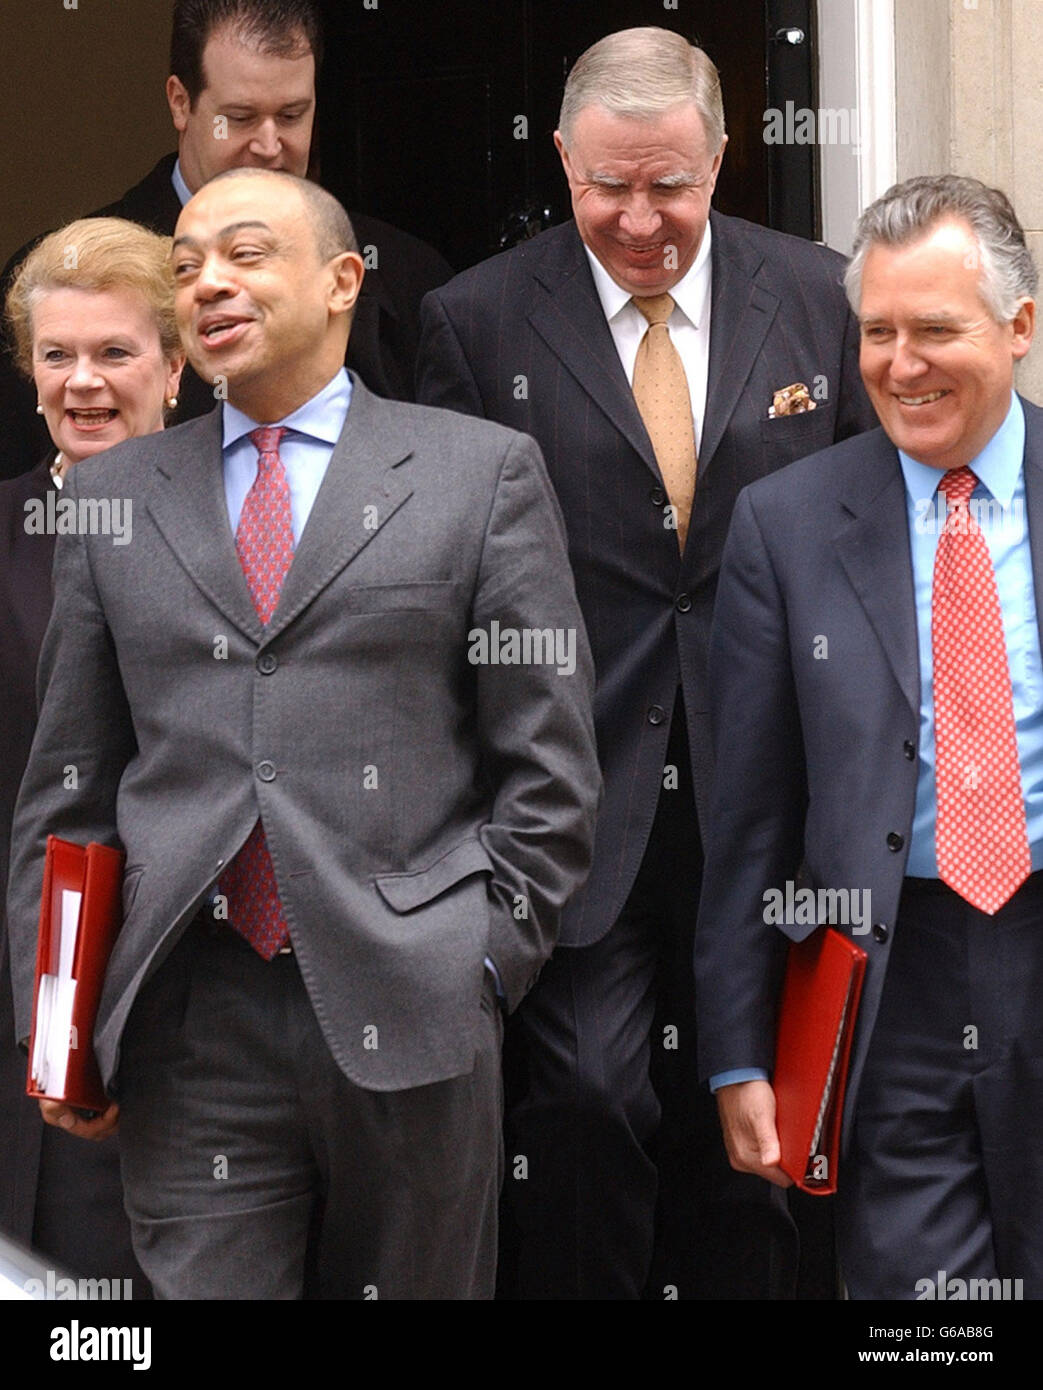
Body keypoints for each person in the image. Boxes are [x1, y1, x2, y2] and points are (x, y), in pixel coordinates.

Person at [6, 167, 600, 1301]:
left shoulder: (477, 476)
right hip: (192, 1018)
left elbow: (551, 769)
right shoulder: (114, 497)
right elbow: (69, 793)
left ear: (341, 281)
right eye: (184, 268)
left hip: (413, 1003)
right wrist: (62, 1026)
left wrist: (479, 961)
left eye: (243, 254)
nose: (208, 283)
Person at [416, 25, 878, 1300]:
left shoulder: (827, 297)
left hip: (777, 794)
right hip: (579, 789)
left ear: (721, 161)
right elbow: (445, 583)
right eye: (605, 184)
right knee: (582, 1103)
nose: (636, 218)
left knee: (768, 1140)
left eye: (667, 185)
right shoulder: (475, 320)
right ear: (561, 160)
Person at [695, 173, 1043, 1299]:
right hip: (888, 973)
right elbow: (748, 815)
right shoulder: (785, 524)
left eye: (934, 330)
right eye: (877, 333)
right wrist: (739, 1050)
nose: (900, 365)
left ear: (1019, 326)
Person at [0, 0, 452, 477]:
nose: (270, 145)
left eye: (293, 115)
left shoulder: (407, 274)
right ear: (180, 102)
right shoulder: (61, 278)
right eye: (240, 118)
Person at [0, 216, 184, 1292]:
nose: (84, 382)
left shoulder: (254, 534)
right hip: (32, 1012)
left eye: (114, 352)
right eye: (57, 353)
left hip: (211, 1021)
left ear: (175, 361)